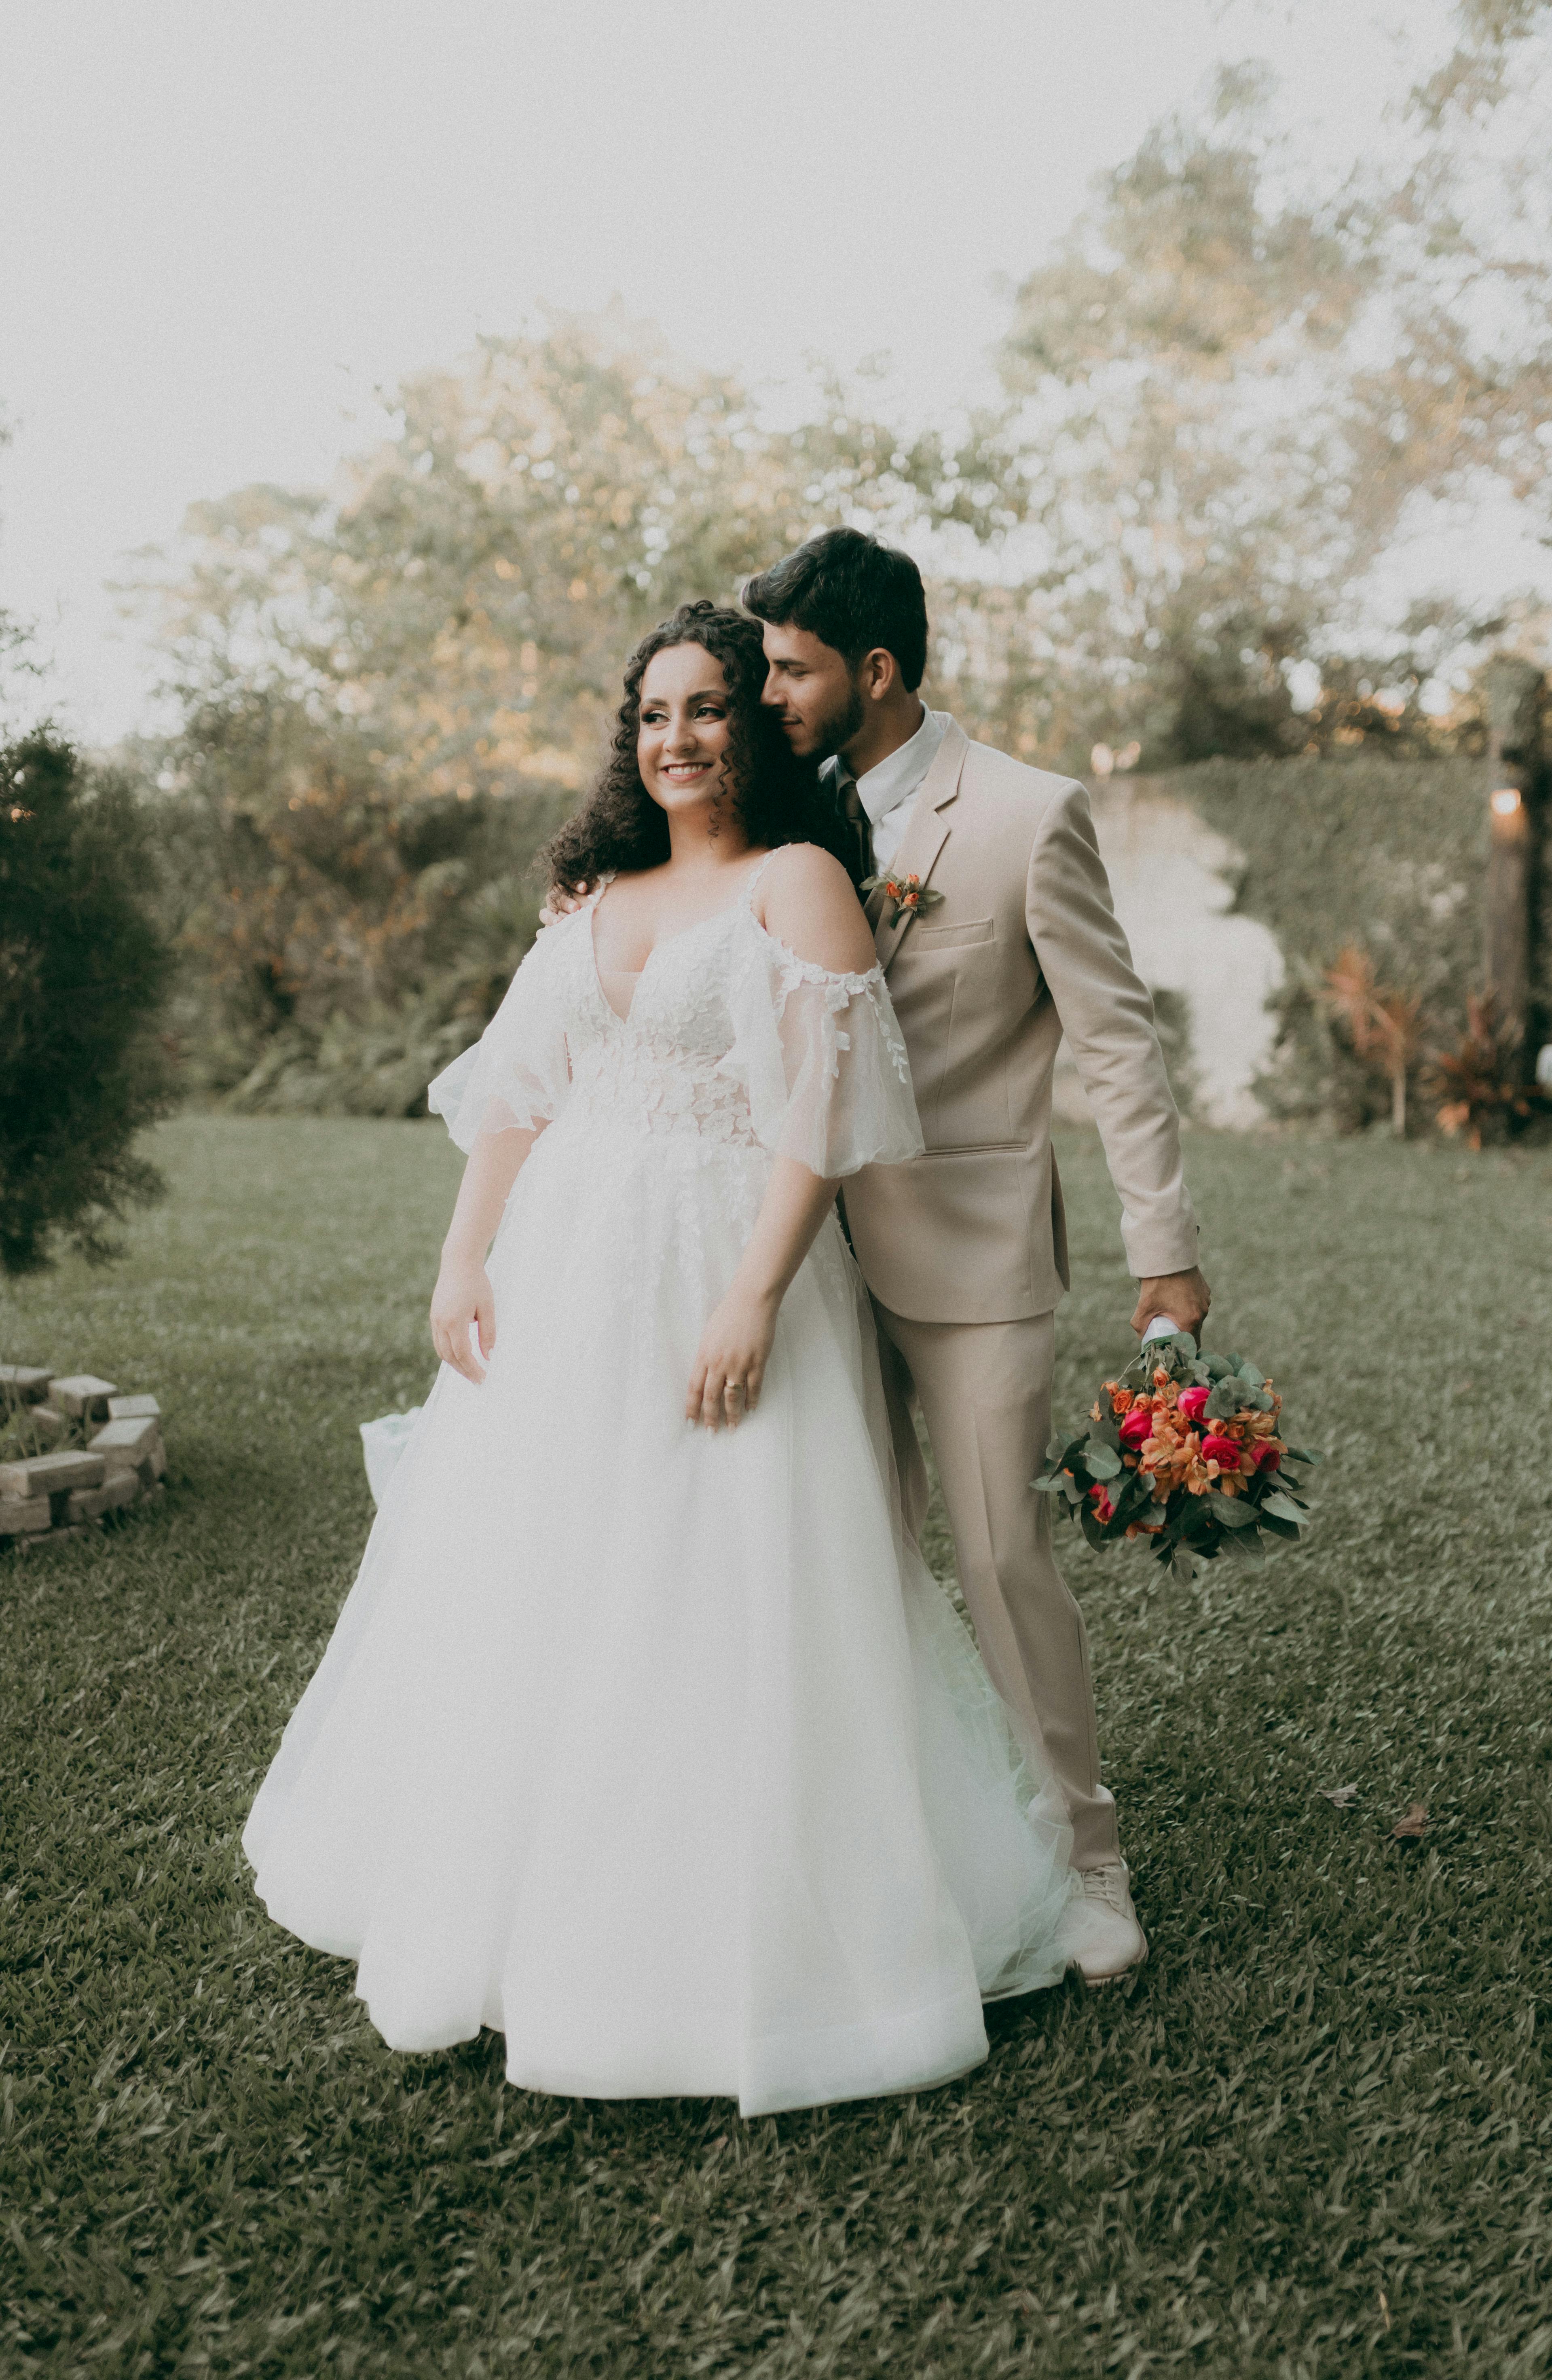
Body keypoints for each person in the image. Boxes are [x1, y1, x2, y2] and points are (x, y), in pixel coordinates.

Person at [243, 601, 1080, 2119]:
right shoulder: (593, 888)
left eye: (706, 708)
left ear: (753, 726)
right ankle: (513, 1901)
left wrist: (755, 1295)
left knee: (721, 1575)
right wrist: (461, 1255)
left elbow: (821, 1123)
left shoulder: (799, 881)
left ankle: (714, 1928)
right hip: (568, 1268)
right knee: (545, 1571)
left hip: (718, 1262)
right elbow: (519, 1093)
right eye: (651, 714)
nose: (677, 737)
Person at [741, 530, 1211, 1985]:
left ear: (873, 672)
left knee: (1003, 1556)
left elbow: (1119, 1047)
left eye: (792, 670)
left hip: (977, 1253)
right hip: (802, 1255)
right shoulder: (775, 809)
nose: (767, 696)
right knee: (840, 1553)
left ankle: (1089, 1862)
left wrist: (1167, 1255)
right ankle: (884, 1857)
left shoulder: (1025, 814)